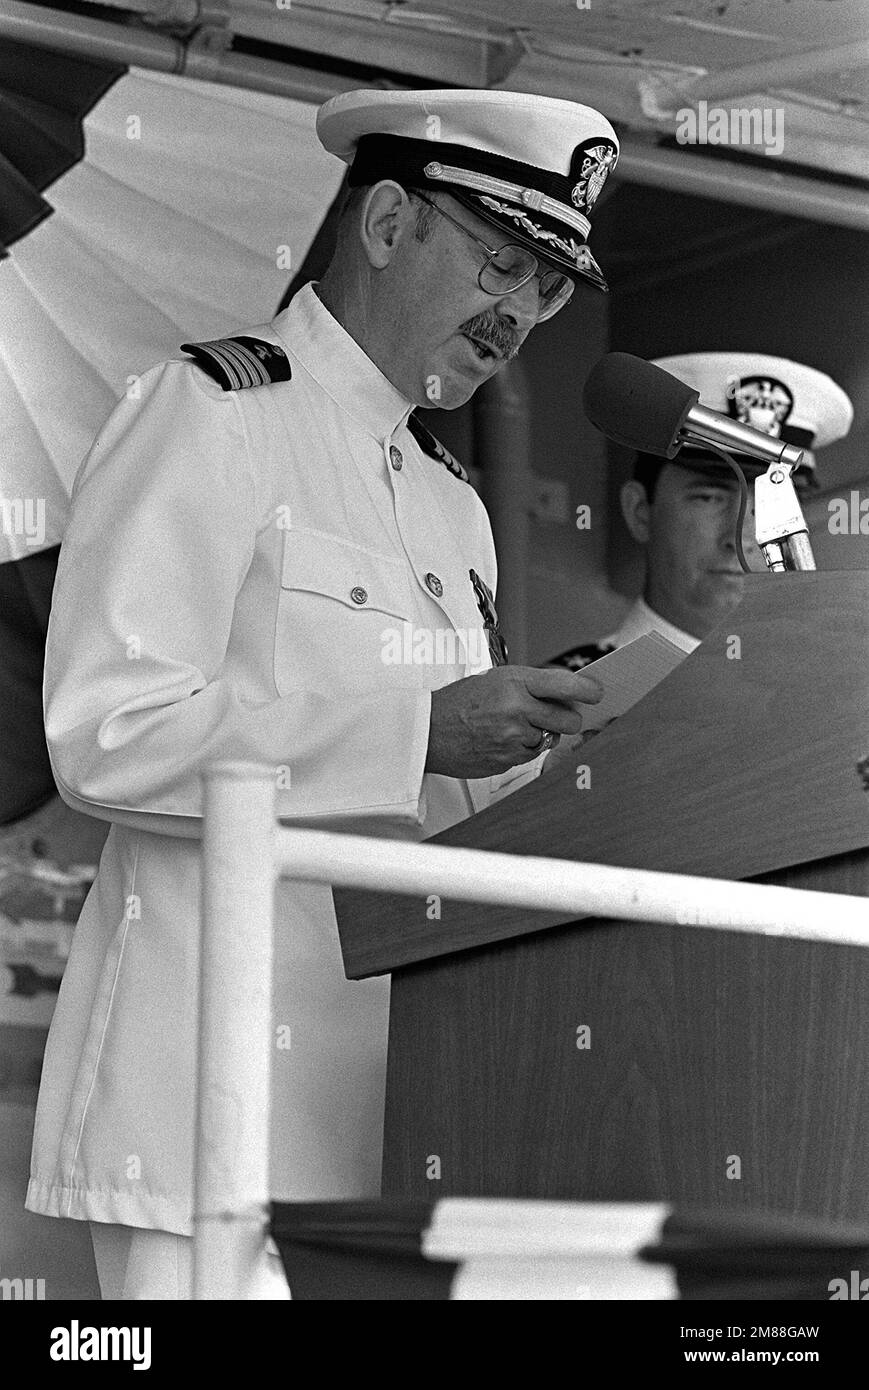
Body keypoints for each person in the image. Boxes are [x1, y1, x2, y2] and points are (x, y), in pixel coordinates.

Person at [26, 87, 618, 1298]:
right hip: (208, 1117)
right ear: (388, 223)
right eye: (501, 263)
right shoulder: (211, 410)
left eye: (547, 290)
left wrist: (542, 753)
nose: (516, 315)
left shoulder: (452, 506)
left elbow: (441, 798)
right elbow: (107, 732)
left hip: (396, 1114)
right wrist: (417, 731)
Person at [549, 353, 854, 668]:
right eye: (709, 498)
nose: (741, 539)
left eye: (772, 504)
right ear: (639, 511)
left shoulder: (831, 684)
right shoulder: (568, 693)